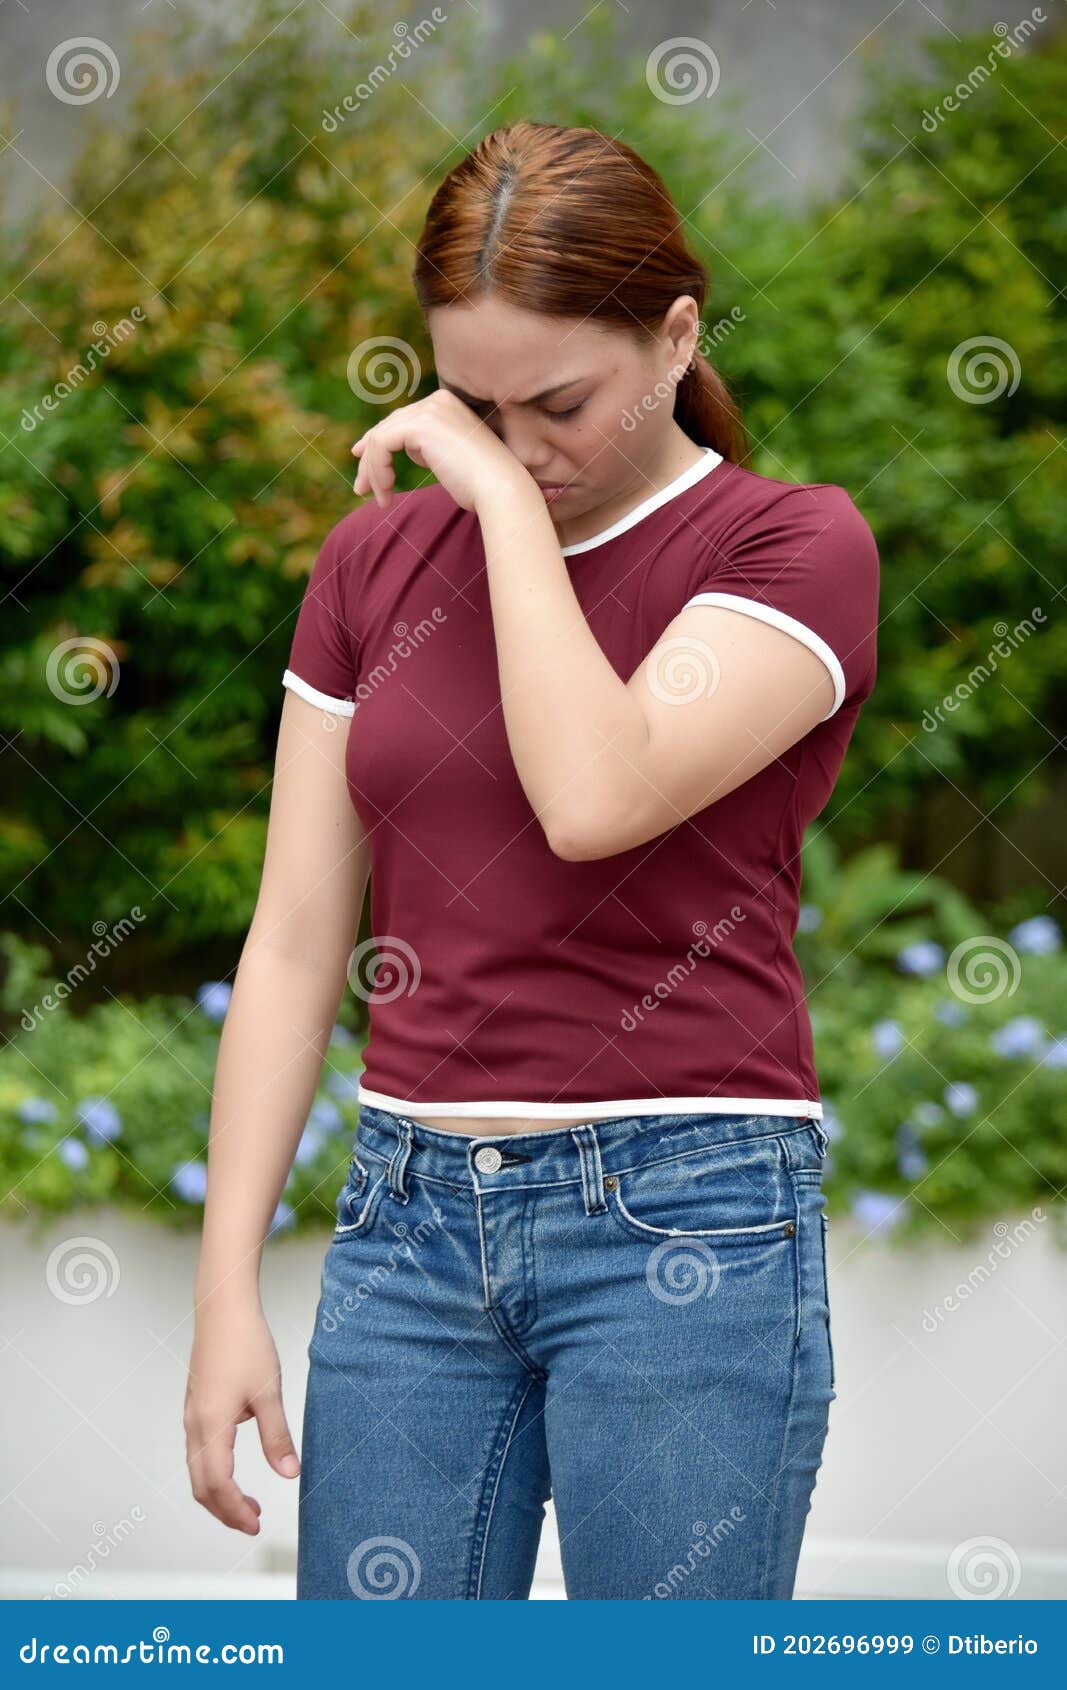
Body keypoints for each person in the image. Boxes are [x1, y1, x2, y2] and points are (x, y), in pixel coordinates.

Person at [185, 120, 879, 1601]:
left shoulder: (792, 549)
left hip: (684, 1212)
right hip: (408, 1221)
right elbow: (299, 936)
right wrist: (225, 1283)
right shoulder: (371, 567)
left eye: (556, 402)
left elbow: (596, 790)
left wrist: (496, 507)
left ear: (677, 336)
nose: (516, 445)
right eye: (475, 403)